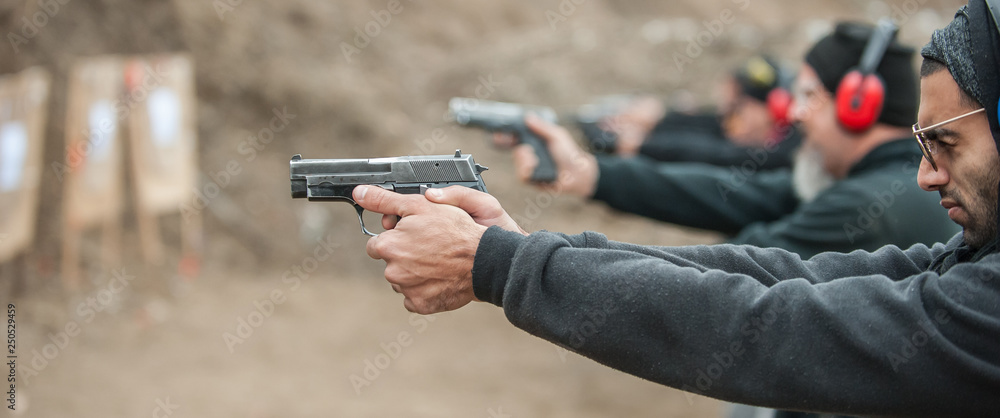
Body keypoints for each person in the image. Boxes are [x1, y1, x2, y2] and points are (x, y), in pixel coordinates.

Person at [350, 1, 1000, 415]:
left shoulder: (926, 244)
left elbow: (761, 321)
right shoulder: (971, 255)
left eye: (945, 143)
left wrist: (504, 265)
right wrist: (523, 248)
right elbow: (767, 272)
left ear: (858, 103)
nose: (925, 176)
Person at [510, 22, 959, 258]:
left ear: (857, 105)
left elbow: (728, 267)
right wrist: (589, 173)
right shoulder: (872, 183)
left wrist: (527, 258)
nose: (796, 115)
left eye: (808, 97)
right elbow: (728, 194)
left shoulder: (868, 205)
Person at [588, 55, 802, 171]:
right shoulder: (771, 132)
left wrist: (641, 144)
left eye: (736, 112)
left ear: (772, 111)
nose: (728, 122)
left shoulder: (781, 155)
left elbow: (715, 153)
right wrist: (657, 121)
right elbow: (709, 126)